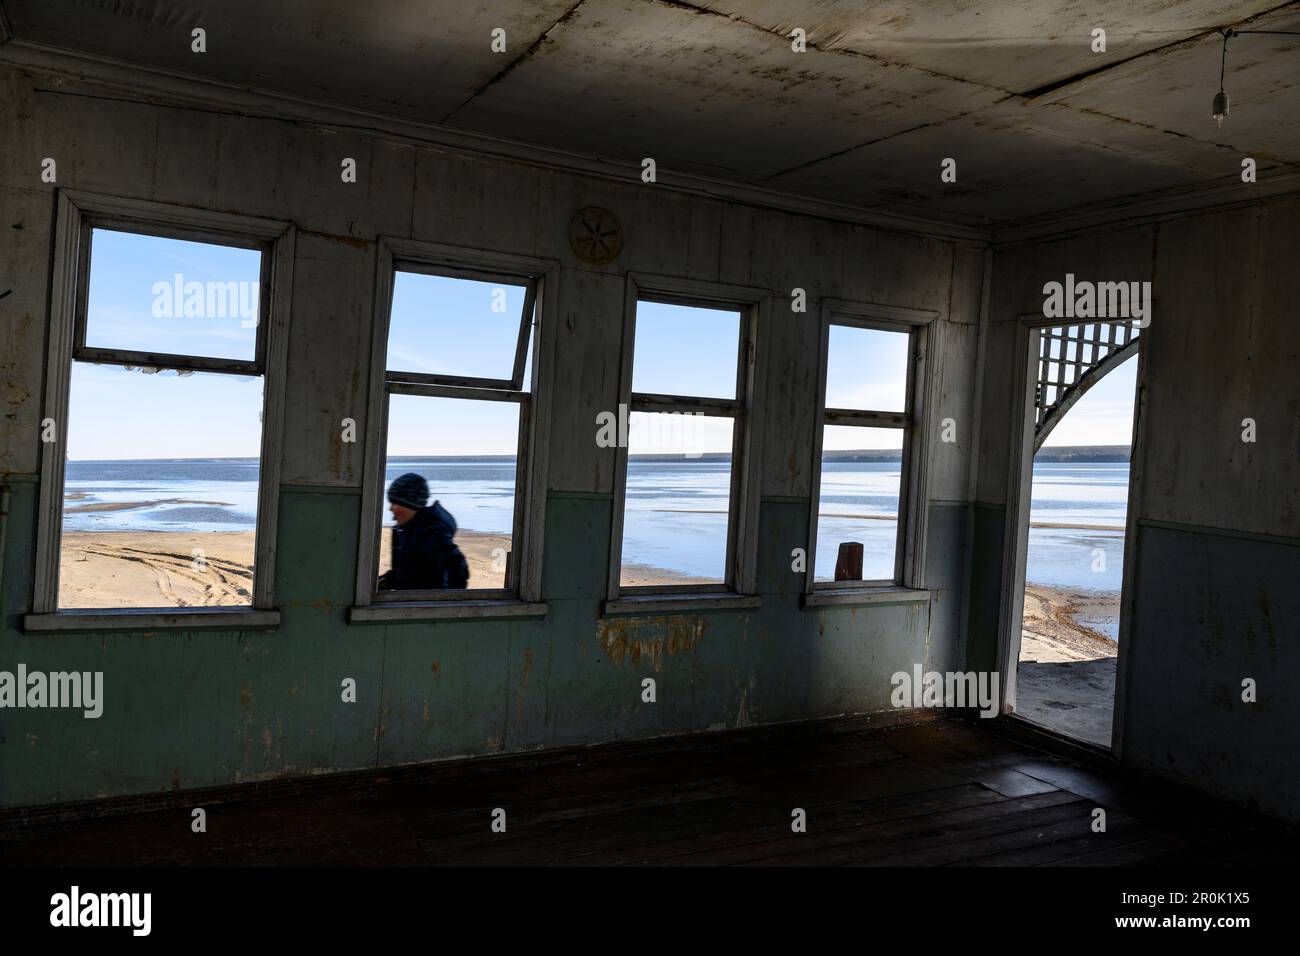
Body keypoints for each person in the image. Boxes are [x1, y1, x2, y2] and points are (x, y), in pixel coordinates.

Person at [377, 472, 469, 591]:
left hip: (424, 606)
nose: (390, 508)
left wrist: (447, 603)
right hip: (406, 604)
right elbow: (407, 572)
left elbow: (457, 567)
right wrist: (384, 582)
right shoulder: (403, 530)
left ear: (409, 504)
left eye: (395, 503)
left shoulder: (432, 533)